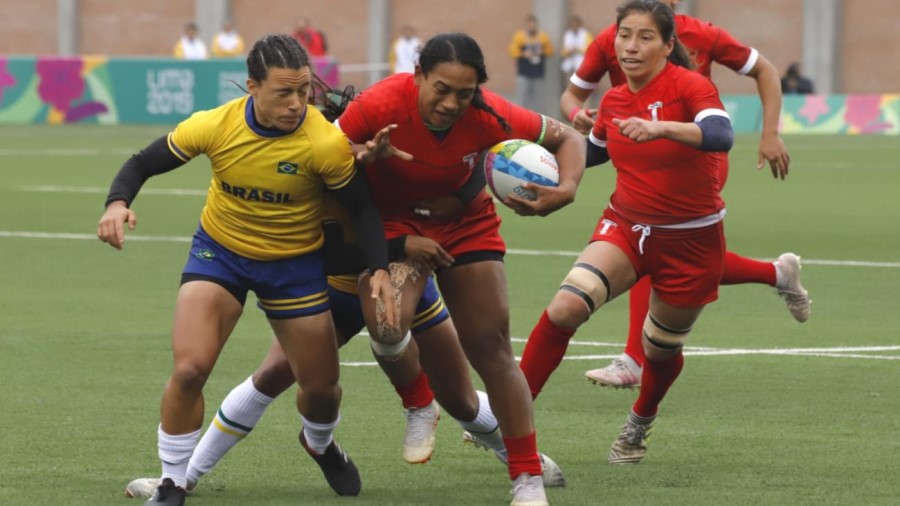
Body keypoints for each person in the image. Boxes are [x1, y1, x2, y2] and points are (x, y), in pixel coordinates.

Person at [97, 34, 397, 505]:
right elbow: (142, 163)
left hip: (294, 266)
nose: (297, 103)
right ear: (252, 87)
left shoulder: (323, 141)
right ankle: (172, 483)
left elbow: (362, 209)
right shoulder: (216, 125)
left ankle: (319, 445)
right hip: (220, 255)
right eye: (283, 92)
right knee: (190, 367)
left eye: (303, 91)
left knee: (321, 391)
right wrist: (117, 204)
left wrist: (379, 267)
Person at [123, 195, 567, 500]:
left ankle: (524, 461)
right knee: (271, 377)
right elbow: (325, 253)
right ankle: (183, 479)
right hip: (332, 293)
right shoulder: (305, 170)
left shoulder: (377, 166)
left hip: (396, 289)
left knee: (462, 399)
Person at [336, 32, 586, 506]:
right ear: (418, 77)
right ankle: (418, 403)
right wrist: (359, 156)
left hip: (466, 225)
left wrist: (568, 187)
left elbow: (569, 137)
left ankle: (527, 479)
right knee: (387, 326)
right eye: (442, 89)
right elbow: (321, 157)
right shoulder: (377, 105)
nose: (452, 103)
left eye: (465, 94)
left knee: (491, 349)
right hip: (394, 228)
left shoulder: (491, 112)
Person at [520, 0, 739, 465]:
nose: (631, 46)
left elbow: (721, 134)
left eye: (644, 37)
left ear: (667, 45)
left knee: (660, 352)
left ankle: (639, 421)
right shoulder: (616, 100)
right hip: (627, 226)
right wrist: (540, 161)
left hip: (691, 239)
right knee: (565, 307)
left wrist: (661, 128)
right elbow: (595, 152)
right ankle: (507, 416)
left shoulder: (691, 85)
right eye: (624, 36)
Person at [558, 0, 809, 389]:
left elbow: (764, 70)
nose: (632, 44)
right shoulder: (612, 37)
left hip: (695, 154)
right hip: (635, 150)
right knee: (670, 248)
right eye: (628, 35)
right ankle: (777, 273)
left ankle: (633, 359)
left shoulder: (702, 34)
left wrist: (770, 131)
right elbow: (573, 96)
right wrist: (578, 115)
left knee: (650, 237)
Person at [508, 14, 554, 111]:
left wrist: (542, 52)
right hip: (524, 71)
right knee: (523, 97)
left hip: (538, 72)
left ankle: (538, 119)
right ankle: (522, 117)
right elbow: (512, 51)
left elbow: (550, 51)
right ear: (526, 25)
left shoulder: (542, 37)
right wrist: (523, 54)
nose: (532, 27)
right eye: (530, 25)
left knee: (538, 98)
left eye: (533, 25)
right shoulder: (520, 36)